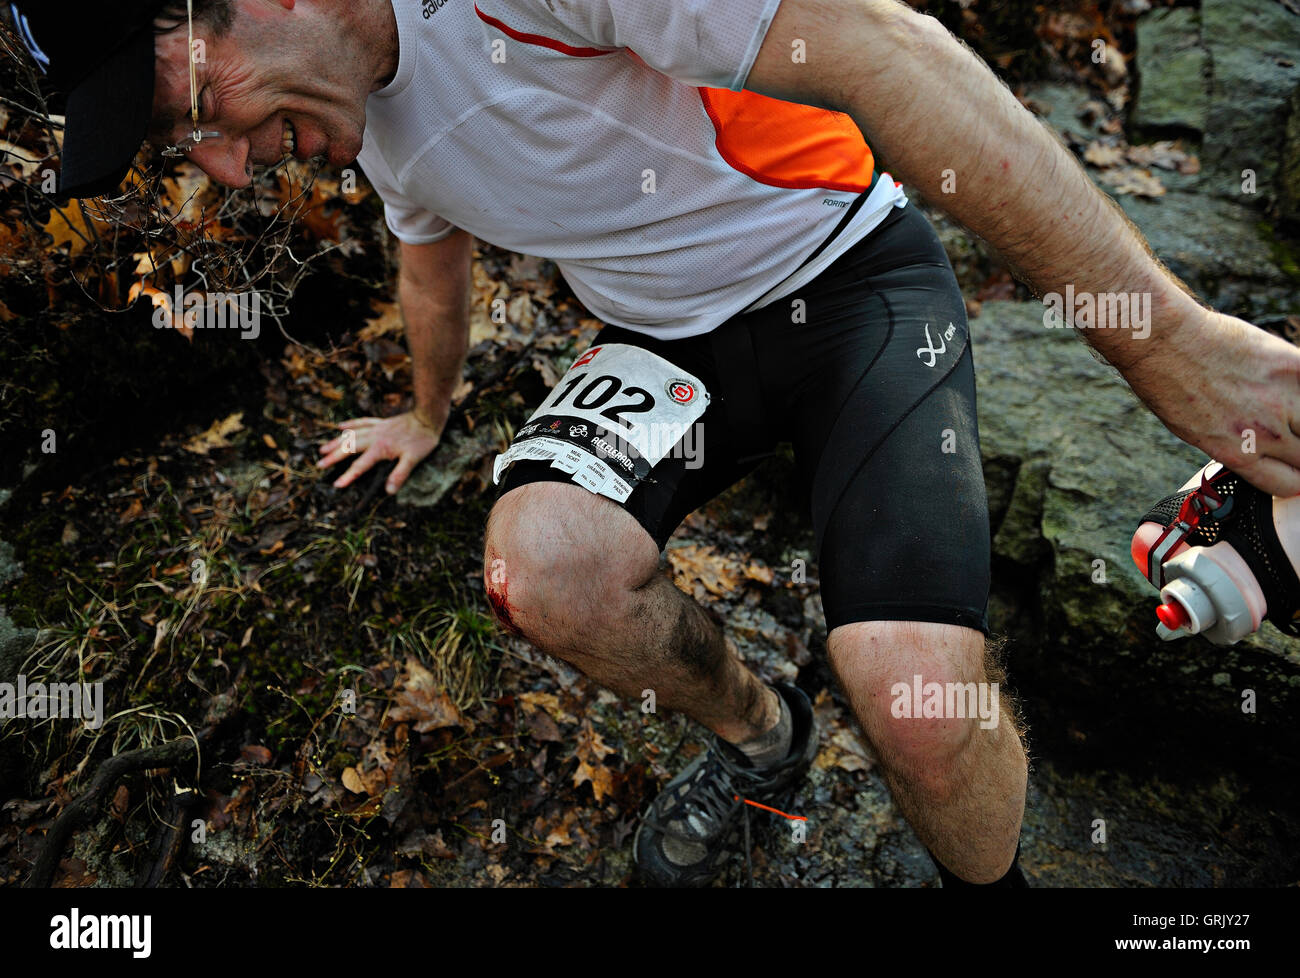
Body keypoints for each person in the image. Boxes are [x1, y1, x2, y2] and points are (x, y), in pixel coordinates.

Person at [15, 0, 1300, 888]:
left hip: (848, 278)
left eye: (194, 105)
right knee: (543, 567)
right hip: (666, 342)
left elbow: (881, 46)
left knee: (915, 703)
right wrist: (424, 412)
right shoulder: (362, 107)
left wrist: (1169, 344)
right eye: (190, 149)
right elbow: (430, 257)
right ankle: (762, 737)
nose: (228, 171)